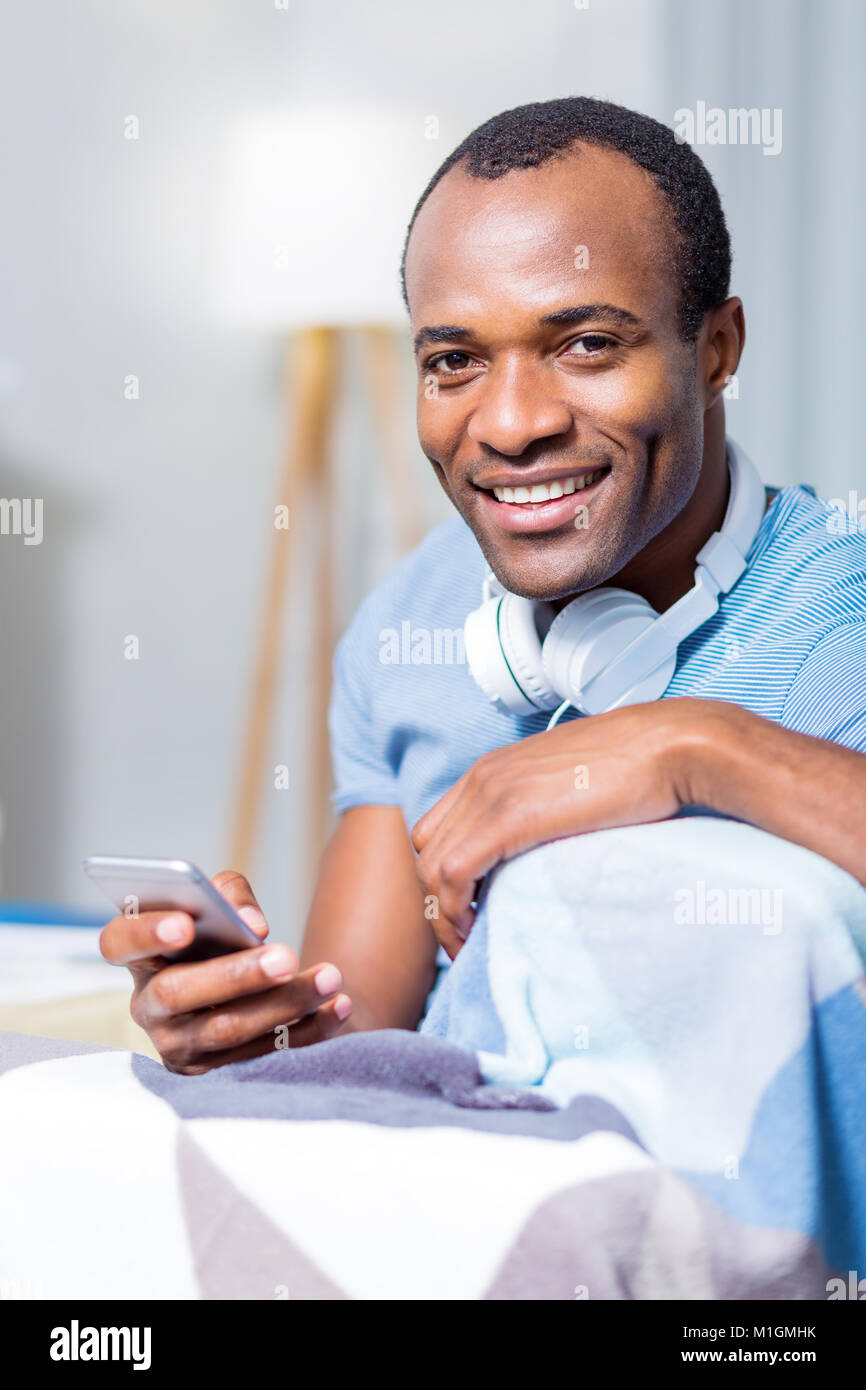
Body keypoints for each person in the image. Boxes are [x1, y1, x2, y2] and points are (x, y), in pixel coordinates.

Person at [101, 97, 866, 1073]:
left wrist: (690, 744)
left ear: (714, 351)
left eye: (584, 343)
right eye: (454, 360)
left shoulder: (836, 608)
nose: (508, 425)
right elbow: (359, 1036)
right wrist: (246, 1026)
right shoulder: (409, 626)